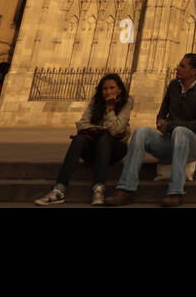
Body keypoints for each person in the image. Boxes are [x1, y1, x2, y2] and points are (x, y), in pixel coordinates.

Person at [107, 53, 196, 207]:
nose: (177, 67)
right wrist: (160, 121)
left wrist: (170, 126)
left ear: (193, 71)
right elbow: (162, 111)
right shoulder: (174, 86)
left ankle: (175, 192)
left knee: (180, 131)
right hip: (171, 141)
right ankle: (125, 190)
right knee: (141, 132)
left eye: (182, 66)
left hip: (193, 144)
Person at [35, 73, 132, 205]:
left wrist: (110, 110)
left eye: (111, 88)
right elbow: (82, 124)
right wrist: (102, 129)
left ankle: (98, 189)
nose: (108, 91)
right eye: (105, 89)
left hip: (115, 149)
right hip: (93, 148)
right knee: (79, 138)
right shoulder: (96, 101)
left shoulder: (127, 101)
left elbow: (116, 130)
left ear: (119, 89)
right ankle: (59, 189)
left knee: (104, 138)